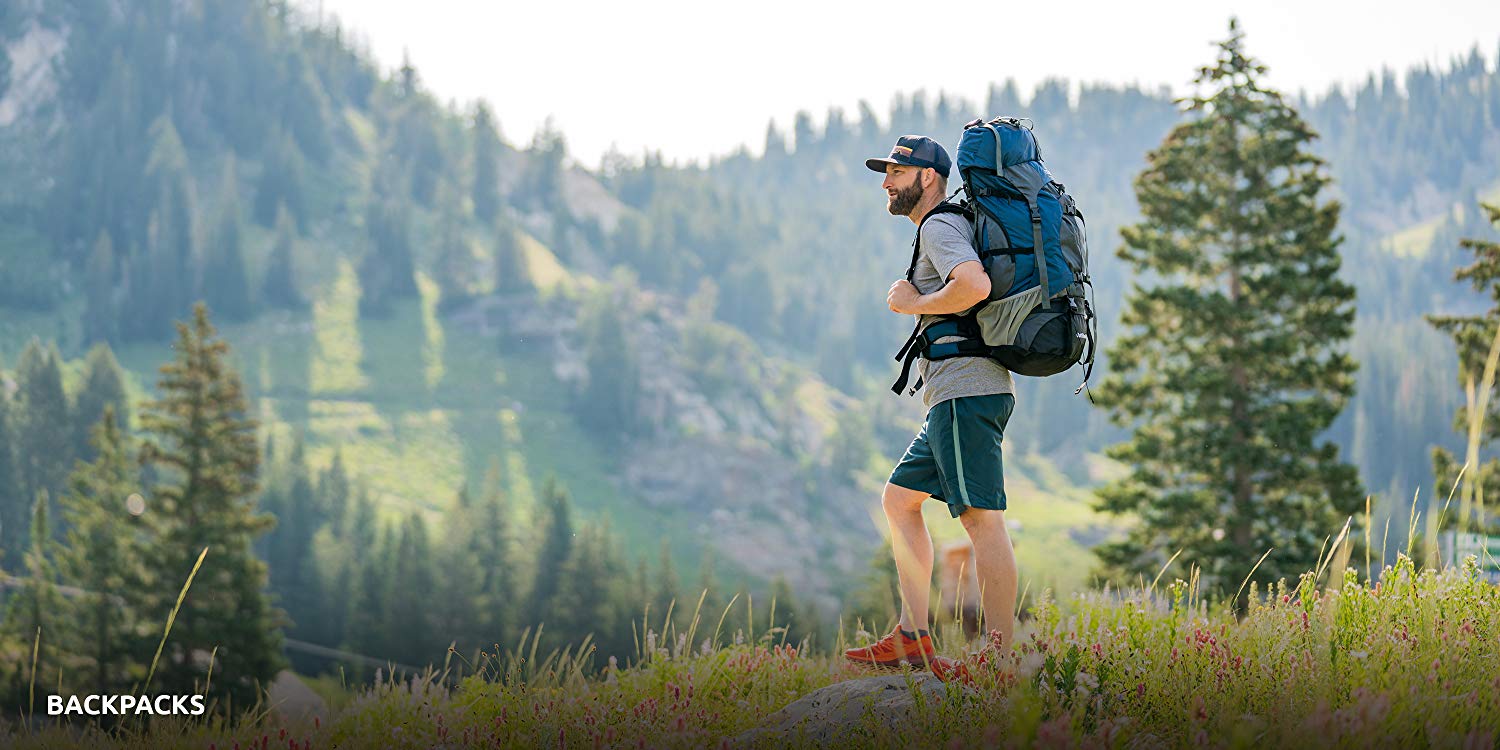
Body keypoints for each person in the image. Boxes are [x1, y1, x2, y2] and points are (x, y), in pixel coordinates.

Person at [843, 135, 1019, 677]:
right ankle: (914, 635)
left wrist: (913, 303)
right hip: (952, 394)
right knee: (899, 501)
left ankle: (998, 655)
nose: (887, 181)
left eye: (898, 170)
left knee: (980, 519)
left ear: (930, 177)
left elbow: (973, 284)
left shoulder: (941, 226)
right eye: (887, 171)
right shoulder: (937, 227)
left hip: (966, 391)